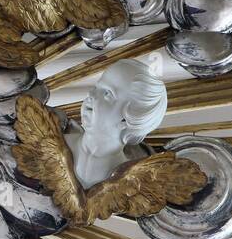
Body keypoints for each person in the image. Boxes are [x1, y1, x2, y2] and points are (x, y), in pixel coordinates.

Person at [68, 58, 168, 188]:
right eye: (96, 86)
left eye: (107, 94)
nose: (91, 93)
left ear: (126, 121)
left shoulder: (127, 184)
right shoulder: (56, 142)